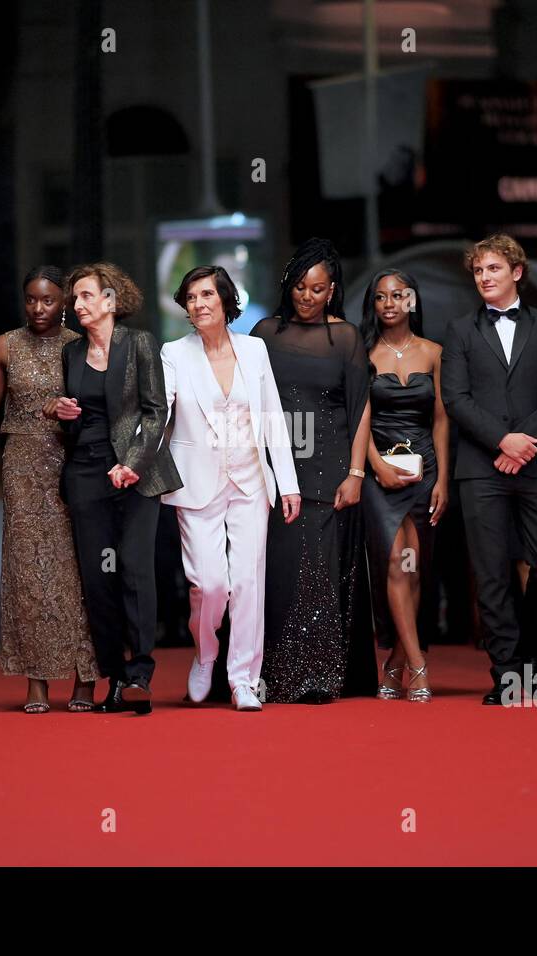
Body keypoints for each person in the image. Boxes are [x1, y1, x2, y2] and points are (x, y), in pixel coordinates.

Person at [0, 265, 99, 713]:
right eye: (31, 299)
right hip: (21, 465)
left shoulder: (82, 346)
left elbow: (100, 411)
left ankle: (86, 678)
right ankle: (36, 681)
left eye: (48, 300)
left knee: (78, 571)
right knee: (28, 572)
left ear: (66, 303)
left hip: (72, 465)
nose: (38, 308)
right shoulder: (6, 345)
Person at [161, 265, 301, 712]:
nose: (198, 304)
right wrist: (136, 458)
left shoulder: (254, 350)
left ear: (225, 300)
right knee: (210, 583)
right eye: (191, 297)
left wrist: (288, 482)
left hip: (250, 479)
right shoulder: (174, 354)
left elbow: (274, 416)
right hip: (196, 481)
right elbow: (158, 413)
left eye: (206, 295)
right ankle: (205, 654)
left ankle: (244, 679)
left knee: (246, 581)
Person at [441, 234, 537, 705]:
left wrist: (522, 443)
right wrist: (501, 441)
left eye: (493, 269)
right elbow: (455, 399)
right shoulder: (459, 331)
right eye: (478, 271)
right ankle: (507, 674)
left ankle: (529, 653)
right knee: (492, 574)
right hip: (480, 468)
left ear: (517, 272)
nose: (484, 278)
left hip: (536, 465)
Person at [250, 239, 376, 704]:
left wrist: (356, 472)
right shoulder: (263, 333)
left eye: (317, 289)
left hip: (329, 466)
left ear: (332, 291)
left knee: (319, 571)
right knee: (275, 570)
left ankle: (318, 676)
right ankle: (269, 674)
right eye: (300, 287)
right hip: (274, 467)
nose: (307, 296)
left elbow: (361, 407)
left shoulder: (345, 337)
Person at [55, 262, 181, 715]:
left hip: (138, 474)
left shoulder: (141, 343)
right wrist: (60, 409)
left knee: (134, 570)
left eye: (86, 295)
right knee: (97, 578)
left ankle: (140, 673)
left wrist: (131, 463)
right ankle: (113, 675)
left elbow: (155, 412)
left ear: (110, 301)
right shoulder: (71, 353)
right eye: (75, 298)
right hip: (86, 473)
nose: (78, 305)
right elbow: (70, 407)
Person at [359, 269, 449, 702]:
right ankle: (417, 664)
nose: (389, 303)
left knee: (414, 567)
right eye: (380, 297)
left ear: (412, 301)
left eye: (398, 295)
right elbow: (357, 419)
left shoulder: (434, 352)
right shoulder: (363, 353)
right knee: (396, 563)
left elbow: (442, 419)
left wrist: (443, 479)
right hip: (380, 472)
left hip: (425, 470)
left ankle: (395, 663)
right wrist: (375, 465)